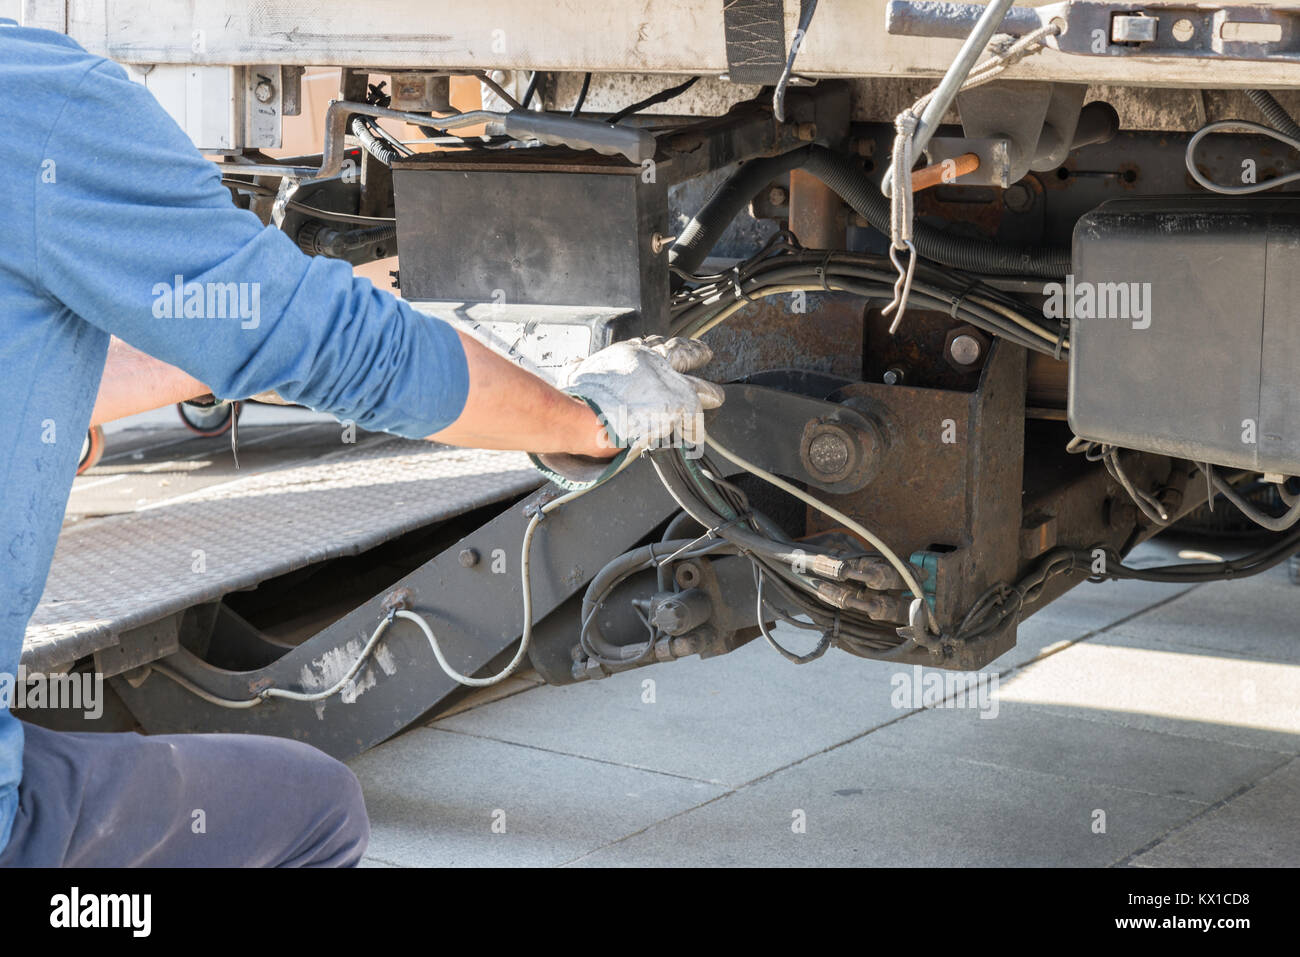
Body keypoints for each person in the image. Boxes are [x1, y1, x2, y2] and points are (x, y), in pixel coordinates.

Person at [0, 18, 721, 865]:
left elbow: (86, 349)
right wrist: (583, 420)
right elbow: (327, 342)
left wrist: (204, 350)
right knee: (313, 811)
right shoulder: (37, 98)